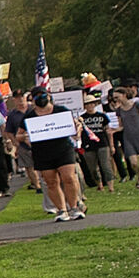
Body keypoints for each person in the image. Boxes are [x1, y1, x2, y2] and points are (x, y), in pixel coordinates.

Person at [26, 90, 85, 222]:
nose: (40, 99)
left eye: (43, 96)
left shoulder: (60, 110)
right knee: (51, 182)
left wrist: (77, 129)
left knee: (69, 177)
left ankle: (74, 207)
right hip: (42, 151)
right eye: (37, 97)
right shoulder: (30, 116)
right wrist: (26, 138)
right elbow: (19, 134)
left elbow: (74, 125)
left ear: (48, 97)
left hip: (63, 148)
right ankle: (61, 210)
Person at [75, 100, 117, 195]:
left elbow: (108, 131)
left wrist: (112, 145)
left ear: (95, 104)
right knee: (93, 168)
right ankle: (99, 184)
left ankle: (111, 186)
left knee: (106, 165)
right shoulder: (82, 118)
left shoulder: (102, 116)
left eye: (91, 103)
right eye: (87, 104)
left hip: (102, 143)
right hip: (88, 145)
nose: (90, 106)